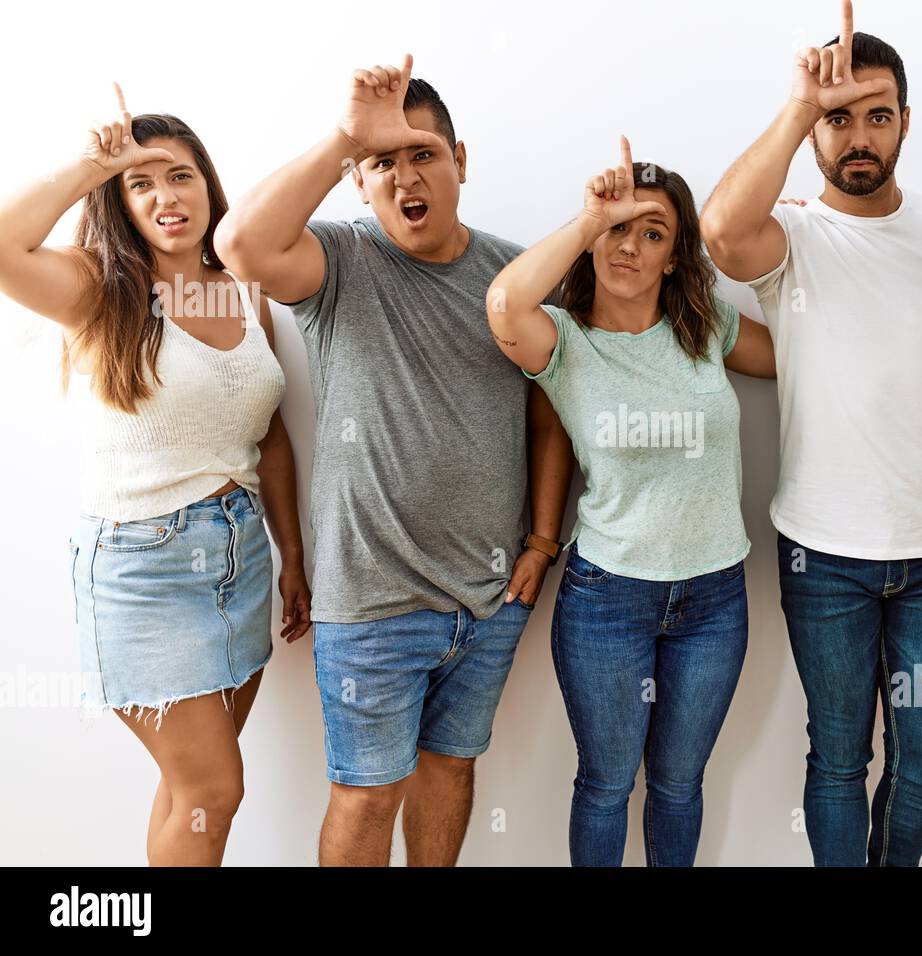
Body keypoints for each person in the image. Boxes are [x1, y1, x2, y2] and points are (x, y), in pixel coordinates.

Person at [214, 55, 574, 866]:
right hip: (372, 601)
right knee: (367, 793)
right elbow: (239, 244)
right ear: (357, 181)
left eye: (424, 155)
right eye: (382, 162)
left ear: (461, 163)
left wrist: (542, 542)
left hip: (487, 599)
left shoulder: (515, 278)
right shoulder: (340, 261)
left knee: (450, 771)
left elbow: (551, 418)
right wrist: (346, 134)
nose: (406, 178)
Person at [0, 85, 311, 865]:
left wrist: (293, 558)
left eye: (179, 175)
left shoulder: (246, 296)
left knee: (189, 794)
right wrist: (88, 165)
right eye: (140, 183)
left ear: (209, 184)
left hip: (238, 559)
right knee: (214, 791)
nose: (166, 196)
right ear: (121, 204)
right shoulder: (98, 291)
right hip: (141, 568)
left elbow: (267, 436)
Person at [699, 0, 922, 866]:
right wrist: (795, 106)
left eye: (877, 115)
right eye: (837, 117)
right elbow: (717, 233)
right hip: (823, 554)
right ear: (814, 130)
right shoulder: (792, 237)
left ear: (904, 123)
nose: (859, 135)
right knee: (840, 756)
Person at [486, 136, 775, 866]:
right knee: (608, 784)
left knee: (679, 786)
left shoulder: (707, 329)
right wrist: (589, 218)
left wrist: (801, 254)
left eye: (654, 234)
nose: (631, 247)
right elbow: (503, 302)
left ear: (674, 257)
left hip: (714, 598)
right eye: (620, 229)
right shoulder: (562, 340)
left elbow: (806, 354)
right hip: (608, 598)